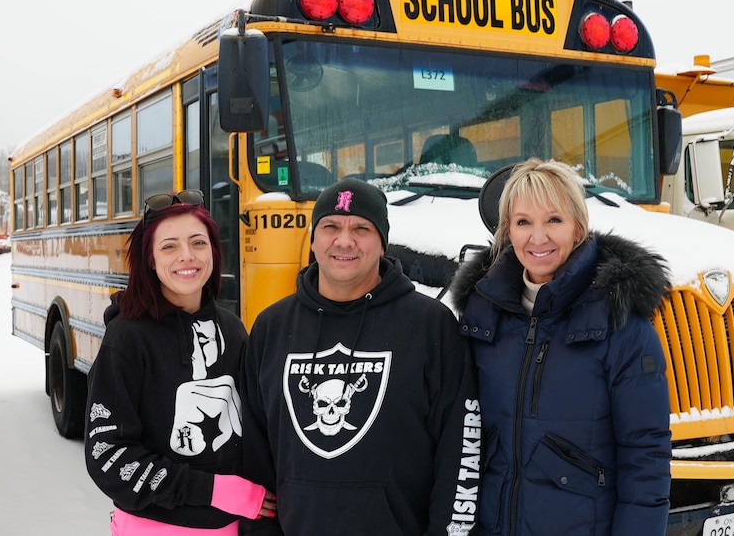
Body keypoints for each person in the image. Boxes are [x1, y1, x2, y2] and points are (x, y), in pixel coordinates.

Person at [239, 178, 481, 536]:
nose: (344, 240)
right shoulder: (271, 327)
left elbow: (461, 451)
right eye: (331, 226)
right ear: (314, 238)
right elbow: (253, 456)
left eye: (361, 228)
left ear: (382, 241)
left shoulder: (430, 326)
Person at [449, 158, 672, 535]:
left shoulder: (619, 322)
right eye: (523, 222)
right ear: (507, 230)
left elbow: (645, 457)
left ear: (579, 228)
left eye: (554, 220)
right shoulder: (482, 315)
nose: (538, 238)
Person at [84, 189, 276, 536]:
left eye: (198, 243)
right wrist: (213, 491)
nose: (187, 256)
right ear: (150, 260)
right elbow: (107, 456)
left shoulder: (232, 328)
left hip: (234, 529)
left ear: (214, 252)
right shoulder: (126, 338)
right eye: (169, 246)